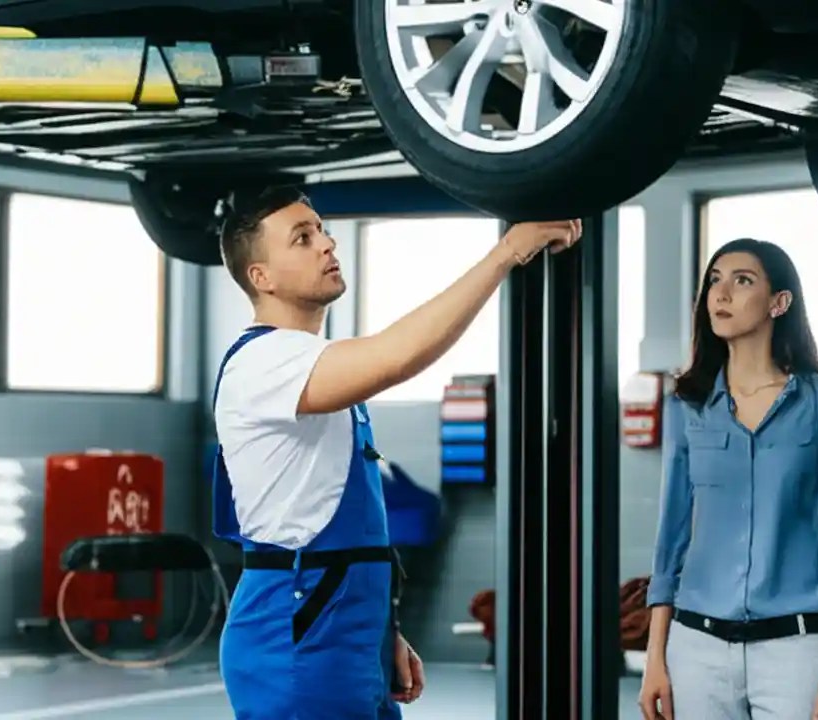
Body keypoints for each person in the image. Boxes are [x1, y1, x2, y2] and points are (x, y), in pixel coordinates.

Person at [208, 185, 580, 719]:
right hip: (295, 637)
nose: (328, 244)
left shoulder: (315, 364)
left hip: (344, 634)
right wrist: (504, 254)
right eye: (303, 238)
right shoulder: (264, 362)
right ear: (260, 277)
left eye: (322, 229)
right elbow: (397, 356)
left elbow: (322, 516)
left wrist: (384, 629)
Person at [639, 238, 818, 720]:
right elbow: (670, 538)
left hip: (797, 650)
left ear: (779, 303)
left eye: (743, 281)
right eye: (715, 281)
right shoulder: (687, 405)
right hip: (695, 649)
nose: (721, 294)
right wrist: (654, 657)